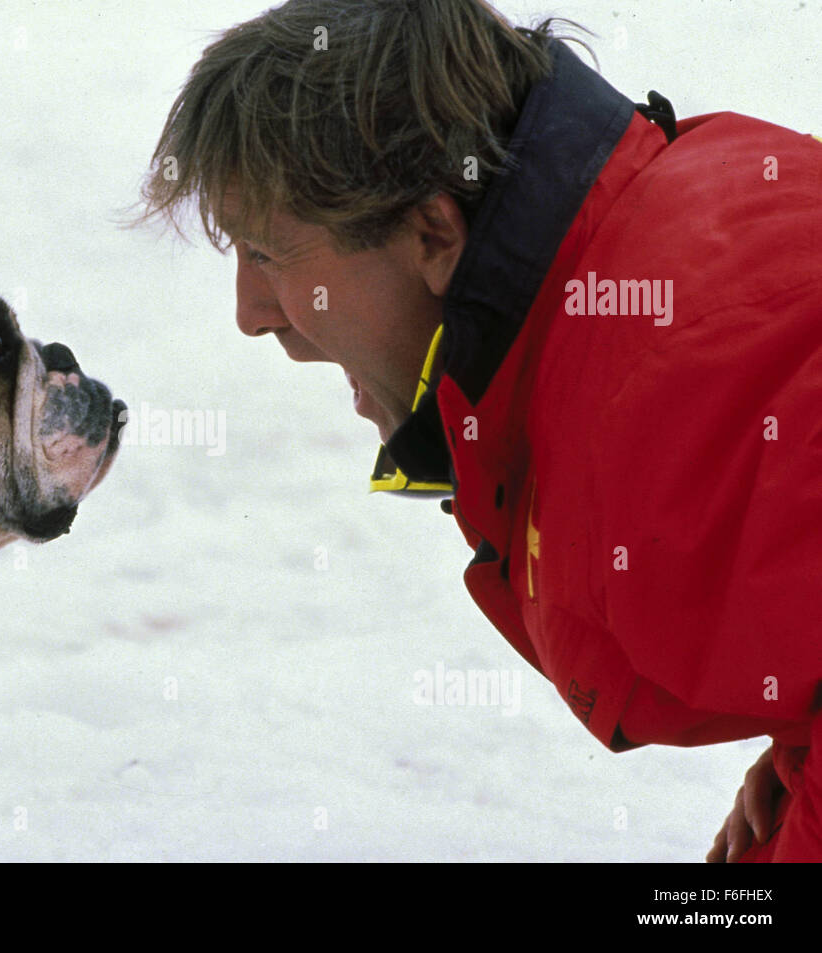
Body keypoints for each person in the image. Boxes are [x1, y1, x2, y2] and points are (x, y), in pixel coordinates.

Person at [136, 0, 822, 861]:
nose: (250, 313)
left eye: (268, 255)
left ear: (432, 232)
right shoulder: (653, 246)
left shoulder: (655, 406)